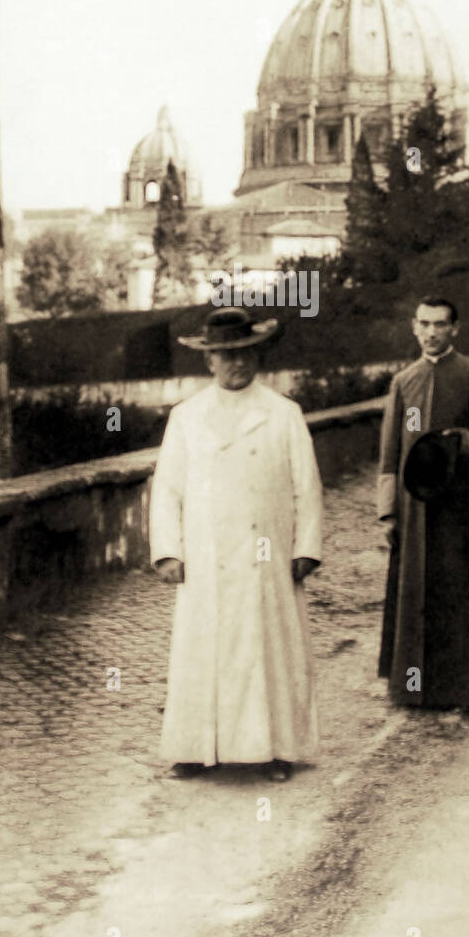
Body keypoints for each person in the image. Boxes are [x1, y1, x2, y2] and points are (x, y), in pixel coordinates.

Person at [150, 307, 323, 782]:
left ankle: (275, 748)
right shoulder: (187, 418)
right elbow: (168, 489)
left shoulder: (284, 414)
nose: (235, 364)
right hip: (206, 559)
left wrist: (305, 547)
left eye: (244, 353)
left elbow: (306, 486)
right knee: (202, 649)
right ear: (209, 361)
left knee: (269, 649)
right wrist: (168, 550)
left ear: (257, 354)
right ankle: (193, 748)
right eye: (225, 355)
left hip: (265, 555)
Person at [377, 296, 469, 710]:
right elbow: (389, 454)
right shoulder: (403, 382)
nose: (432, 332)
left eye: (440, 324)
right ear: (414, 327)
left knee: (461, 594)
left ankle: (467, 688)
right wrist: (388, 511)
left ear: (456, 329)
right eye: (424, 324)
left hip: (463, 510)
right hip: (415, 511)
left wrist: (460, 441)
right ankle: (415, 688)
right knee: (417, 594)